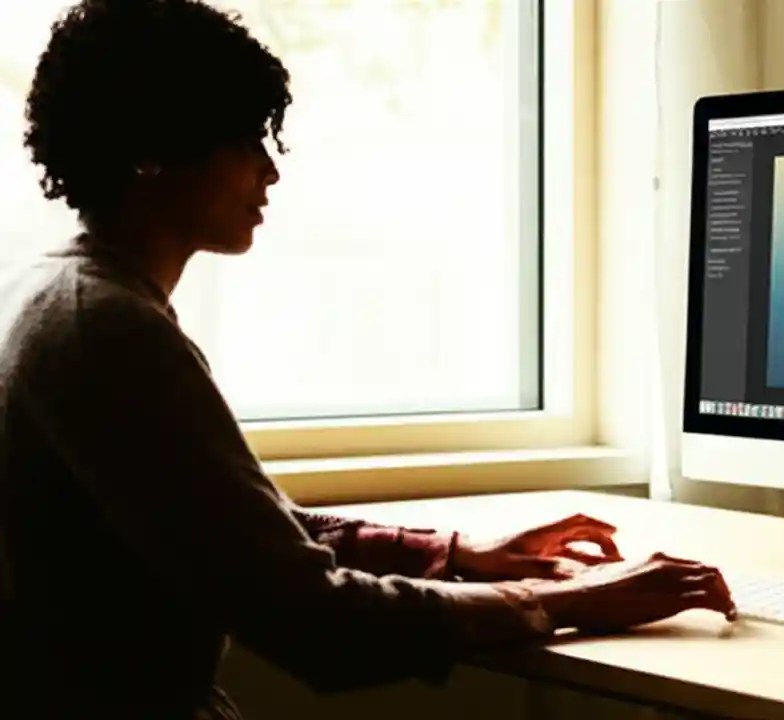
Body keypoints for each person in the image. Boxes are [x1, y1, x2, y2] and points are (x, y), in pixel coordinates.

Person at [0, 1, 734, 718]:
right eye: (243, 139)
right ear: (152, 153)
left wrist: (455, 552)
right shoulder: (107, 333)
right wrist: (575, 600)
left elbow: (245, 535)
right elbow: (312, 619)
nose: (269, 171)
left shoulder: (63, 298)